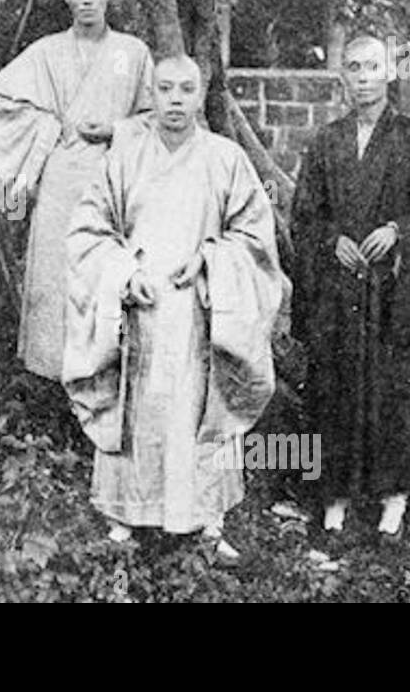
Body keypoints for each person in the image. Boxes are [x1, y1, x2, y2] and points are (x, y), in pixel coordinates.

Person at [63, 55, 286, 556]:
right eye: (165, 89)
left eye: (187, 89)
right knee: (136, 408)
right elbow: (87, 231)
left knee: (198, 409)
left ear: (201, 94)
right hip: (138, 310)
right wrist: (124, 273)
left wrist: (211, 261)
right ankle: (124, 515)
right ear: (152, 93)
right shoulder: (124, 158)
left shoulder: (226, 158)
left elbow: (254, 237)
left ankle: (207, 520)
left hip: (201, 314)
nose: (176, 100)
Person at [290, 35, 410, 536]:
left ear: (390, 73)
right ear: (342, 75)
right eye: (353, 67)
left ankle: (394, 498)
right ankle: (334, 496)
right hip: (341, 292)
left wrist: (399, 231)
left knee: (396, 391)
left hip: (395, 294)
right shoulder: (326, 141)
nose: (363, 76)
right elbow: (305, 214)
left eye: (373, 66)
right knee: (335, 388)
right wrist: (330, 241)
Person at [0, 0, 153, 382]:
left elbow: (155, 118)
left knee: (108, 277)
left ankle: (109, 377)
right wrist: (48, 130)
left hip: (113, 183)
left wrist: (115, 128)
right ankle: (55, 380)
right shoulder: (47, 52)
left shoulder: (132, 53)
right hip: (59, 184)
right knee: (59, 278)